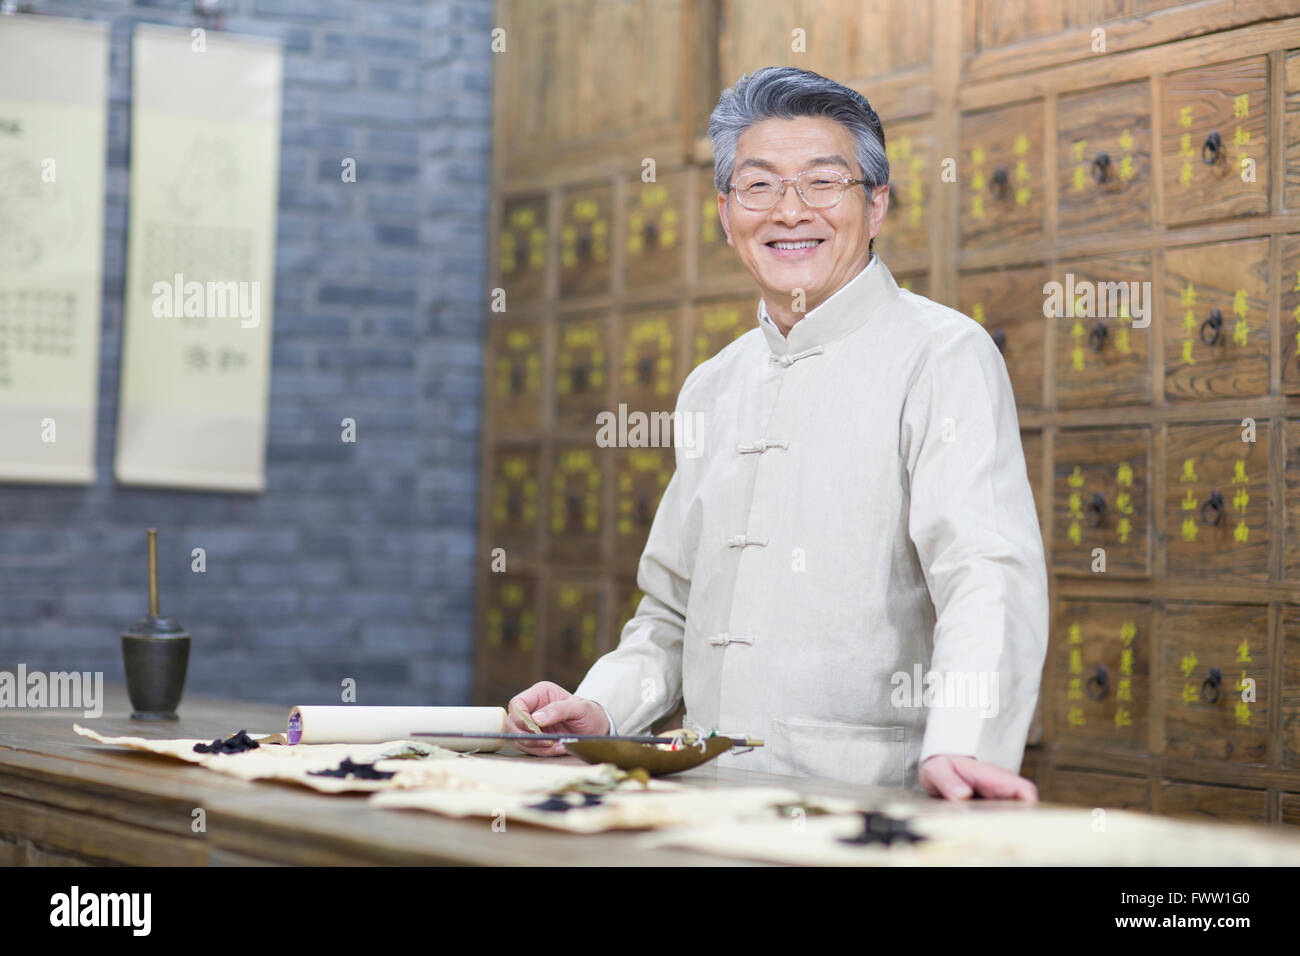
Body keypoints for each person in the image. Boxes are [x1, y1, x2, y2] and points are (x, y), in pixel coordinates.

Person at [505, 66, 1048, 801]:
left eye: (824, 183)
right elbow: (670, 610)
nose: (790, 211)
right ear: (727, 215)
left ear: (878, 204)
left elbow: (986, 574)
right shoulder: (713, 385)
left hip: (867, 799)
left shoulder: (942, 355)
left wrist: (967, 745)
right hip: (702, 799)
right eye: (759, 187)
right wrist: (600, 708)